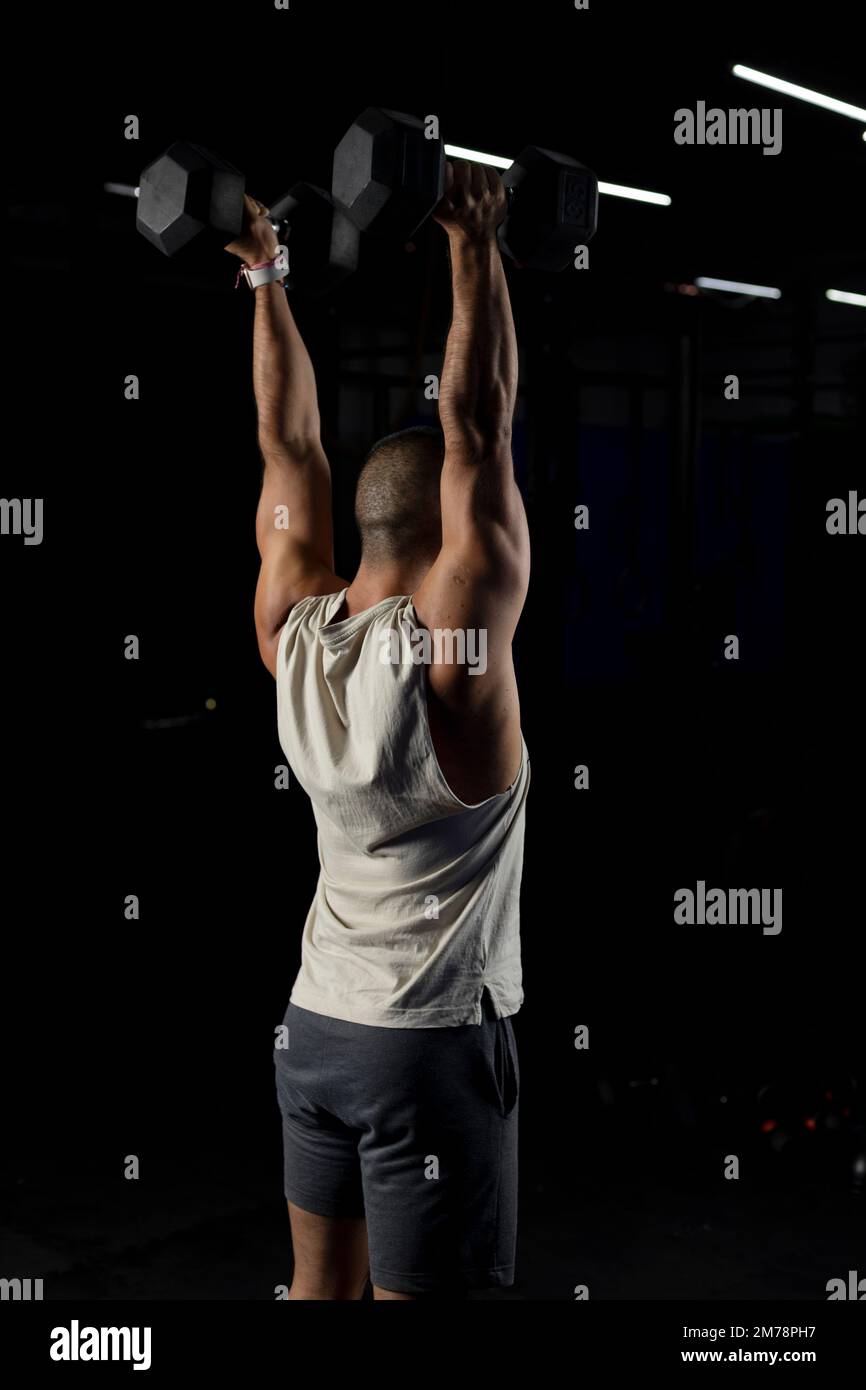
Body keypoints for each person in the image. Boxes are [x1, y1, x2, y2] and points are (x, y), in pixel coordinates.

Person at [227, 159, 531, 1300]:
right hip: (427, 1044)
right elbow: (481, 430)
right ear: (448, 524)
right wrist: (472, 242)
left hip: (314, 1032)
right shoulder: (454, 658)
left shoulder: (292, 634)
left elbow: (287, 448)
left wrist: (267, 275)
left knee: (316, 1296)